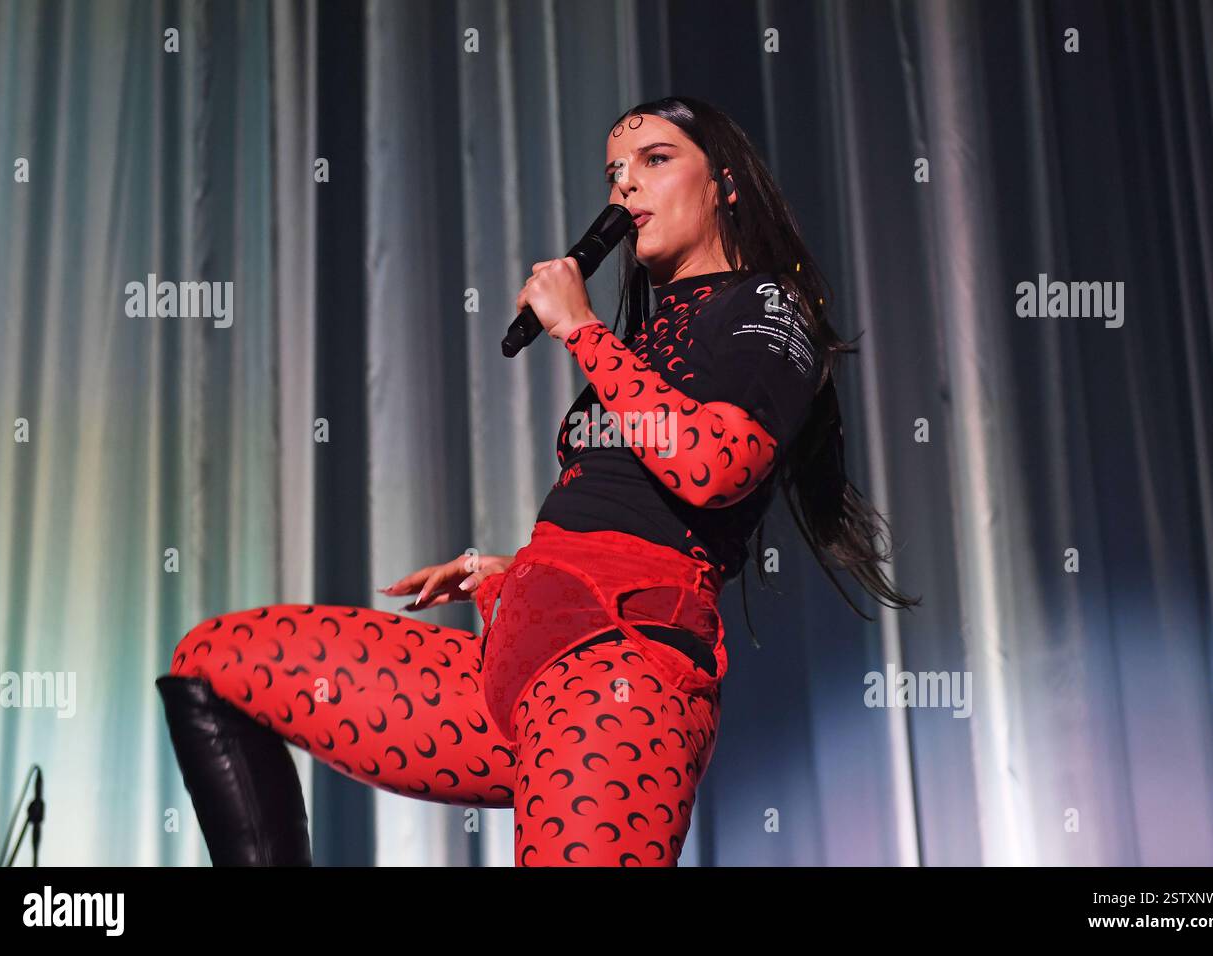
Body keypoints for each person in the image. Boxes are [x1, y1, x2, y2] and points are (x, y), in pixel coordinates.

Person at [155, 95, 920, 868]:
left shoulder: (765, 306)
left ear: (724, 183)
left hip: (619, 679)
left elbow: (713, 466)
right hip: (507, 665)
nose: (625, 186)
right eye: (615, 172)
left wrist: (581, 331)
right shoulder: (643, 340)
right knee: (216, 664)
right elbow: (618, 510)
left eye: (656, 161)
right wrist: (517, 572)